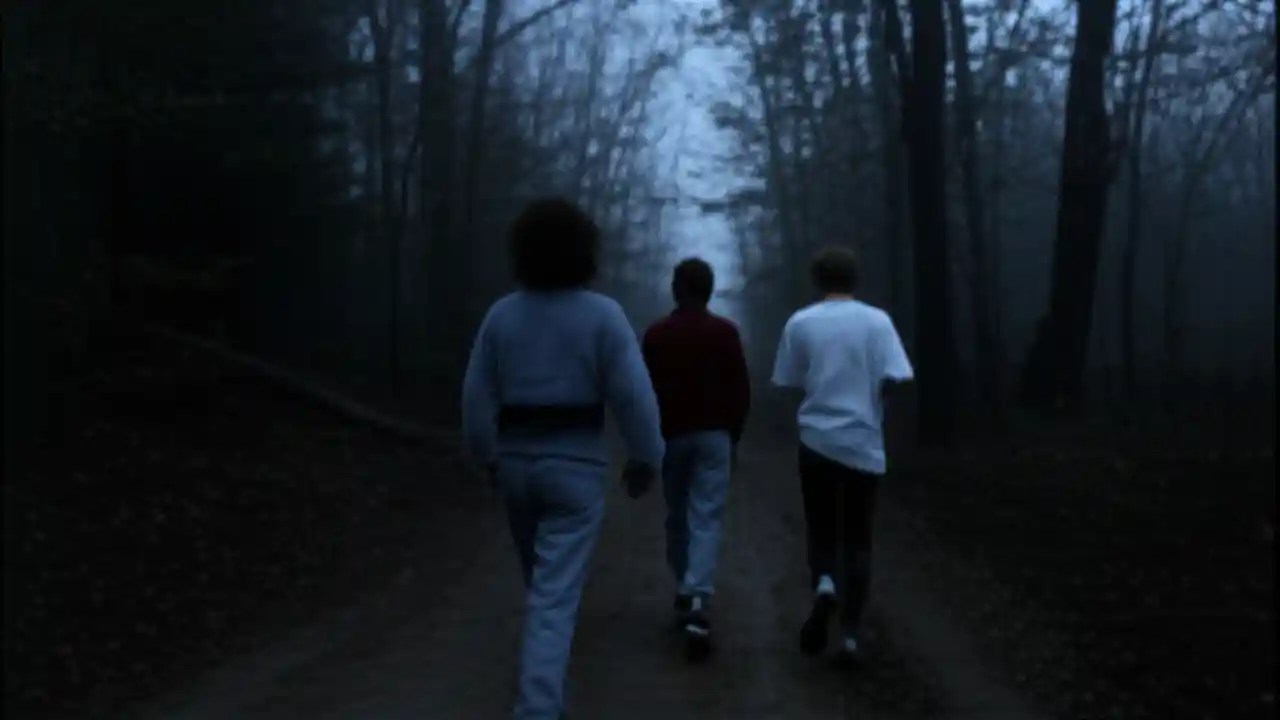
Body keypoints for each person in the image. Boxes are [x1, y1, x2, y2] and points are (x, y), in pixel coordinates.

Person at [461, 197, 665, 720]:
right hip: (575, 472)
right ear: (585, 252)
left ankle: (543, 691)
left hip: (514, 468)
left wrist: (487, 456)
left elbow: (476, 398)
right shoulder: (602, 316)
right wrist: (647, 457)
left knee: (542, 587)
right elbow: (634, 397)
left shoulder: (501, 316)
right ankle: (538, 707)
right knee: (553, 598)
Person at [769, 246, 914, 663]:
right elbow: (897, 377)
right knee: (858, 538)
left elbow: (789, 381)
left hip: (816, 440)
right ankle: (850, 635)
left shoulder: (801, 322)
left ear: (817, 280)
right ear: (855, 279)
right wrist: (872, 402)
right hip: (862, 443)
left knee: (821, 529)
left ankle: (825, 585)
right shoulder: (878, 321)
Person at [641, 257, 750, 660]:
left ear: (676, 288)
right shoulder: (725, 333)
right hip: (713, 435)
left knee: (677, 515)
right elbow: (740, 389)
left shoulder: (656, 335)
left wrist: (644, 442)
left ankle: (685, 588)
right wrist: (733, 435)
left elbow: (643, 391)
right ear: (708, 289)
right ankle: (697, 595)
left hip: (670, 437)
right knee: (706, 515)